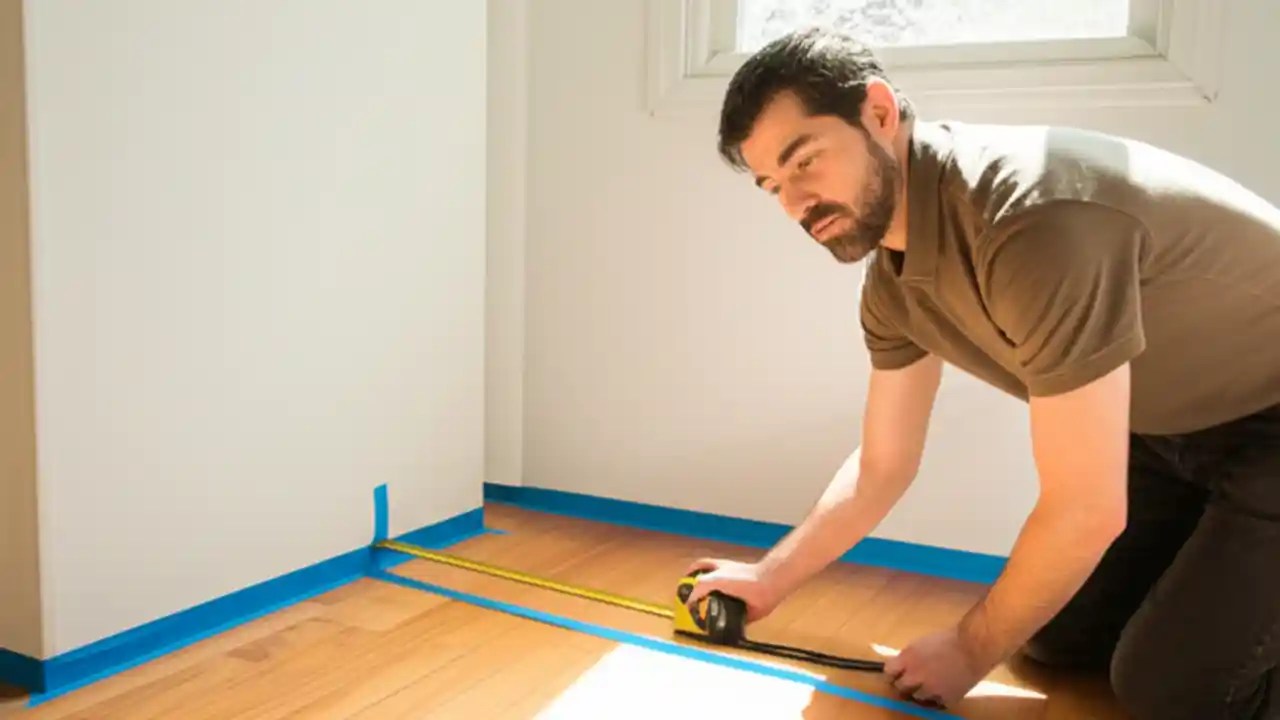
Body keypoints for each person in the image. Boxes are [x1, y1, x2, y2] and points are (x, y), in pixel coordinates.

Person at [683, 26, 1280, 719]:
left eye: (806, 161)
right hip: (1168, 438)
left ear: (878, 112)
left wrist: (968, 650)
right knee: (1056, 641)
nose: (796, 204)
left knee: (1172, 691)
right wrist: (768, 577)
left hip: (1271, 426)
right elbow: (884, 465)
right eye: (773, 186)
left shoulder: (1031, 219)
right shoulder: (892, 286)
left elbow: (1086, 508)